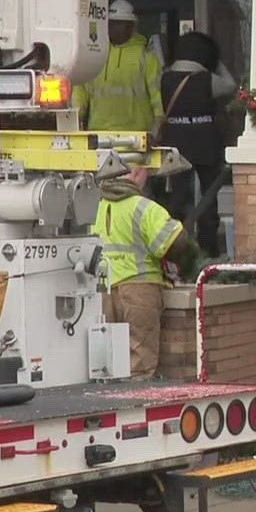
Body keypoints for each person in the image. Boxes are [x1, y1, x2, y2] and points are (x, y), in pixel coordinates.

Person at [92, 155, 194, 379]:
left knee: (103, 361)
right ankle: (135, 407)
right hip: (139, 289)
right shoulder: (145, 208)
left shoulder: (93, 206)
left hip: (102, 291)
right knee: (139, 360)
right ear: (137, 173)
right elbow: (176, 244)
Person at [157, 30, 236, 258]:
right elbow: (230, 85)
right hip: (205, 143)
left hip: (176, 143)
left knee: (178, 197)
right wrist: (216, 61)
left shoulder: (164, 78)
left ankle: (175, 248)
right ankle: (208, 247)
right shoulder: (207, 80)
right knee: (209, 195)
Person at [75, 0, 163, 133]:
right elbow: (81, 90)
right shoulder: (97, 54)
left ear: (131, 26)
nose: (113, 28)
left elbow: (157, 95)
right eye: (111, 24)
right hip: (99, 134)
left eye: (119, 24)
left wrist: (157, 127)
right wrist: (76, 117)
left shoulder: (146, 57)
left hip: (137, 136)